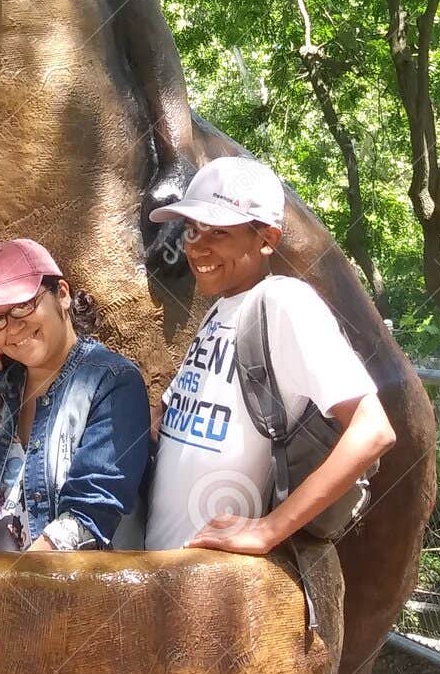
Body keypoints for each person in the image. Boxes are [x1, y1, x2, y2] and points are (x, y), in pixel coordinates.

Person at [143, 158, 395, 555]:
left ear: (267, 239)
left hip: (223, 577)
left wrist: (268, 530)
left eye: (219, 231)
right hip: (171, 566)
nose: (196, 246)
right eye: (191, 229)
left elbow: (373, 430)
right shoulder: (218, 311)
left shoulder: (284, 302)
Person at [0, 239, 150, 552]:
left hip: (81, 581)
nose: (13, 328)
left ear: (62, 294)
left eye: (23, 306)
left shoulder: (114, 383)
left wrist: (17, 577)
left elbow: (91, 512)